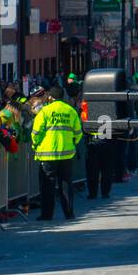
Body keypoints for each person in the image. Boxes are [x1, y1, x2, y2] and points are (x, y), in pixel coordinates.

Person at [32, 85, 82, 220]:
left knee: (47, 186)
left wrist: (36, 144)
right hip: (66, 155)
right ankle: (69, 213)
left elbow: (36, 132)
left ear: (50, 97)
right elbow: (78, 133)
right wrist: (72, 143)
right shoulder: (70, 111)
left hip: (47, 155)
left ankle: (47, 214)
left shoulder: (45, 111)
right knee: (66, 185)